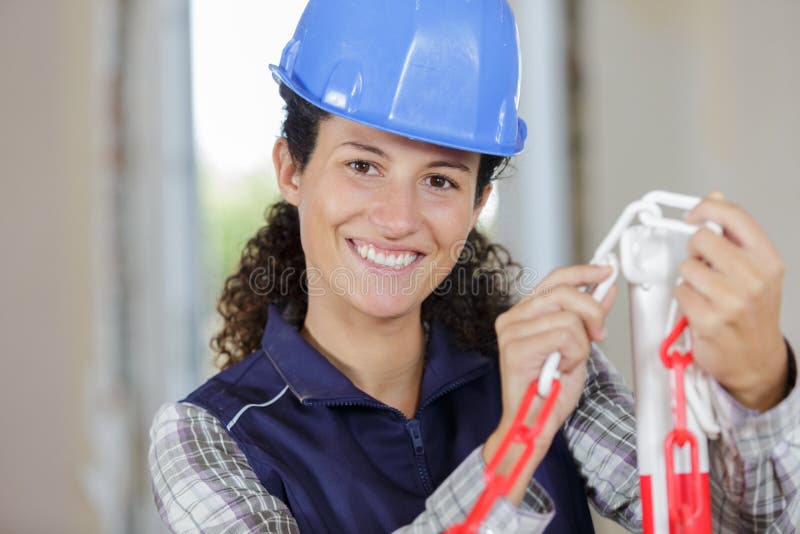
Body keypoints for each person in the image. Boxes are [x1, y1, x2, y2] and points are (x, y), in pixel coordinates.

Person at [148, 1, 800, 532]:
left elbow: (736, 525)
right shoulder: (207, 439)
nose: (399, 218)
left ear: (478, 201)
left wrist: (760, 388)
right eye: (363, 165)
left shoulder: (550, 369)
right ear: (292, 170)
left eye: (439, 180)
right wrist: (509, 454)